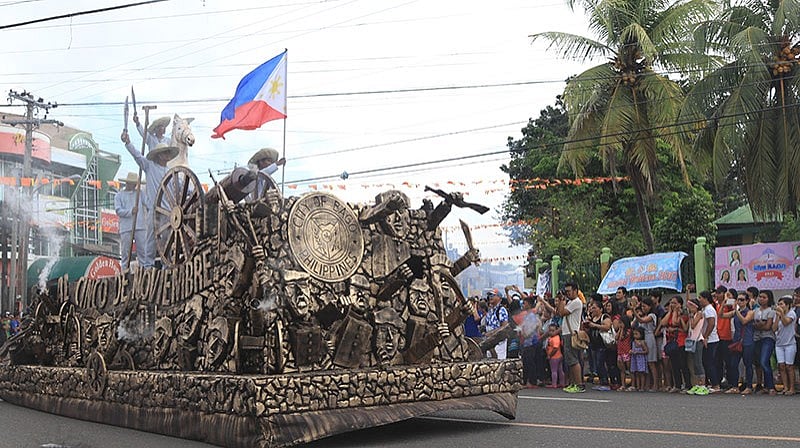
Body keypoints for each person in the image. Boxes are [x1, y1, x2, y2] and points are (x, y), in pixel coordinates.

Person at [121, 129, 179, 268]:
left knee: (167, 241)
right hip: (155, 210)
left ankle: (167, 267)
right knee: (151, 241)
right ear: (159, 156)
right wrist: (128, 142)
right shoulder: (150, 166)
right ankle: (147, 267)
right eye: (165, 153)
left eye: (167, 153)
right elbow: (137, 156)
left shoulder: (171, 172)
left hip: (169, 212)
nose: (167, 155)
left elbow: (182, 185)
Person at [115, 172, 148, 269]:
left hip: (140, 226)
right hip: (126, 227)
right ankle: (124, 272)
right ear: (128, 183)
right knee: (126, 253)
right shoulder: (119, 196)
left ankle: (144, 270)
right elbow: (118, 210)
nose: (134, 186)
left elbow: (148, 203)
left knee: (142, 251)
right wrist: (130, 212)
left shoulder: (140, 194)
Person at [558, 282, 585, 393]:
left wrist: (562, 301)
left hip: (571, 333)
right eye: (566, 291)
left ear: (575, 291)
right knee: (570, 360)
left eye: (569, 291)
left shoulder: (576, 302)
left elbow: (561, 312)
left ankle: (579, 384)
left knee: (573, 360)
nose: (567, 293)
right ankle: (573, 383)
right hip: (567, 333)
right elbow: (558, 311)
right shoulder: (570, 302)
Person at [730, 292, 755, 394]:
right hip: (737, 340)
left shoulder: (750, 312)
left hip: (747, 341)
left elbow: (744, 321)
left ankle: (749, 386)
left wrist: (736, 310)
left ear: (747, 301)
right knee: (733, 364)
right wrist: (724, 304)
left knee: (748, 364)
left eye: (742, 300)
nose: (739, 302)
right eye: (738, 300)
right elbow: (721, 315)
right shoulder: (736, 312)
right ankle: (735, 386)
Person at [633, 297, 660, 391]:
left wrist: (634, 311)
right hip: (643, 338)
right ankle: (647, 384)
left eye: (645, 306)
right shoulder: (642, 315)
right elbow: (634, 324)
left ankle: (656, 384)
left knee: (651, 362)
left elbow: (642, 321)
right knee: (645, 363)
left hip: (649, 337)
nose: (643, 308)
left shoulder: (652, 315)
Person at [753, 290, 777, 395]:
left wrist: (760, 324)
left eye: (764, 297)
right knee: (760, 362)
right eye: (760, 297)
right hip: (757, 338)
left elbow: (768, 327)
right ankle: (765, 386)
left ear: (769, 299)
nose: (761, 299)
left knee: (764, 361)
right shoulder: (756, 310)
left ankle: (771, 386)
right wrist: (760, 324)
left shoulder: (771, 311)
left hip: (768, 338)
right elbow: (753, 324)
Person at [774, 296, 796, 395]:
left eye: (782, 304)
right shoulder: (777, 315)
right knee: (781, 366)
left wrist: (782, 314)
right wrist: (777, 317)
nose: (779, 306)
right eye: (778, 304)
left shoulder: (791, 313)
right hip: (779, 344)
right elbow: (774, 329)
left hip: (790, 344)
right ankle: (785, 387)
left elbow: (786, 323)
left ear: (787, 305)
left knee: (789, 366)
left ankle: (792, 388)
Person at [685, 299, 708, 395]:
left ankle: (703, 385)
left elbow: (694, 325)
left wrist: (690, 317)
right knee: (694, 363)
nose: (689, 309)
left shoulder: (699, 314)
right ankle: (697, 384)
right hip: (692, 340)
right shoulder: (694, 315)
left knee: (698, 362)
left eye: (691, 306)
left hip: (698, 340)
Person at [484, 290, 508, 359]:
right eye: (490, 295)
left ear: (499, 298)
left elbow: (504, 327)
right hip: (489, 343)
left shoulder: (501, 310)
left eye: (493, 295)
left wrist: (492, 333)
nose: (490, 297)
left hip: (498, 344)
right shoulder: (490, 310)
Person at [614, 315, 632, 391]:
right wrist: (619, 329)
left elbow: (621, 337)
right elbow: (616, 337)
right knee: (622, 370)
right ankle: (623, 384)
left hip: (626, 351)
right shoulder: (620, 330)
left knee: (630, 369)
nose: (620, 324)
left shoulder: (628, 331)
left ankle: (633, 384)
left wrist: (622, 329)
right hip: (620, 352)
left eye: (621, 323)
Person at [545, 323, 565, 388]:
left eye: (553, 331)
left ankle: (554, 384)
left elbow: (555, 348)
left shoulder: (555, 338)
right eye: (550, 331)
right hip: (559, 356)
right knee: (560, 370)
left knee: (554, 371)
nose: (551, 332)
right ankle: (562, 382)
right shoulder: (555, 337)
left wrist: (549, 355)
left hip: (554, 357)